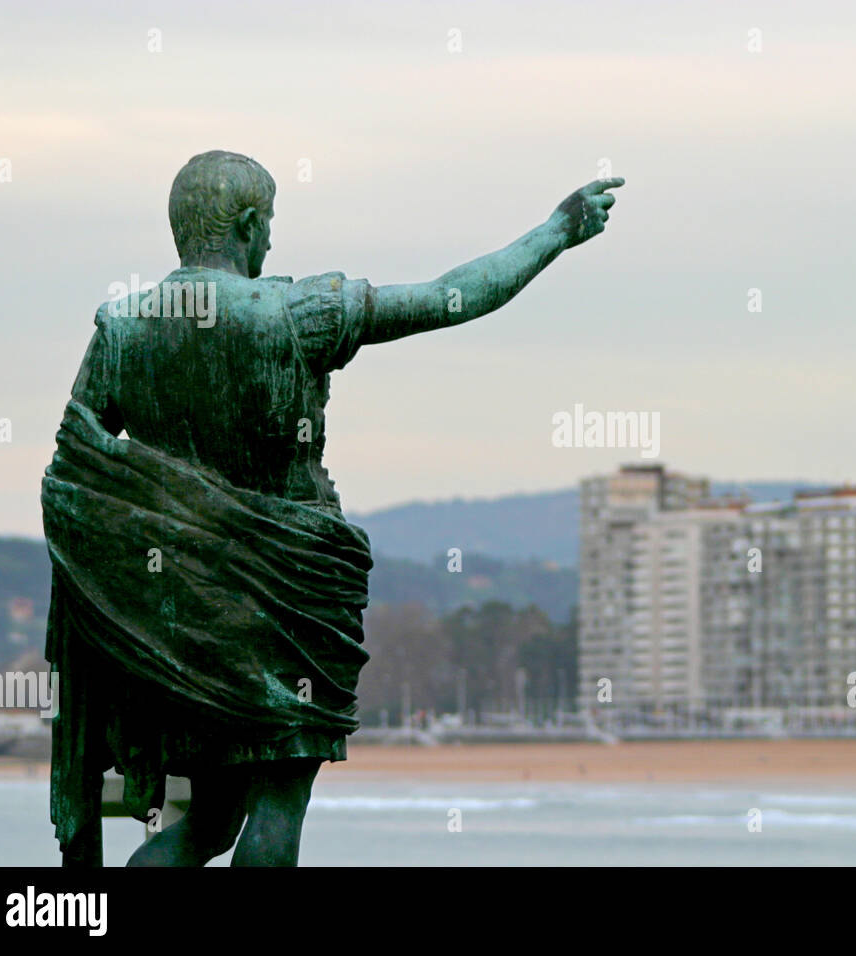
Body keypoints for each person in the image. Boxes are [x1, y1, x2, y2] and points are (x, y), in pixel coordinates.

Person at [41, 150, 623, 866]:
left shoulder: (123, 329)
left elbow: (73, 471)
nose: (273, 243)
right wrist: (555, 232)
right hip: (290, 604)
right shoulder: (298, 312)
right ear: (250, 225)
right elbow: (453, 297)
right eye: (271, 225)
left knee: (205, 825)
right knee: (277, 806)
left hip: (179, 627)